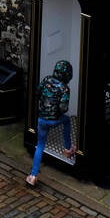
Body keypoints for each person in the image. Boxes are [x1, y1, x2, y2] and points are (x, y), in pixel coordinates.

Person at [26, 59, 77, 187]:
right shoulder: (65, 89)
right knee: (66, 120)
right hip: (54, 120)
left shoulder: (46, 79)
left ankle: (33, 176)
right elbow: (63, 108)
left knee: (40, 145)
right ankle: (67, 149)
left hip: (42, 119)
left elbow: (37, 92)